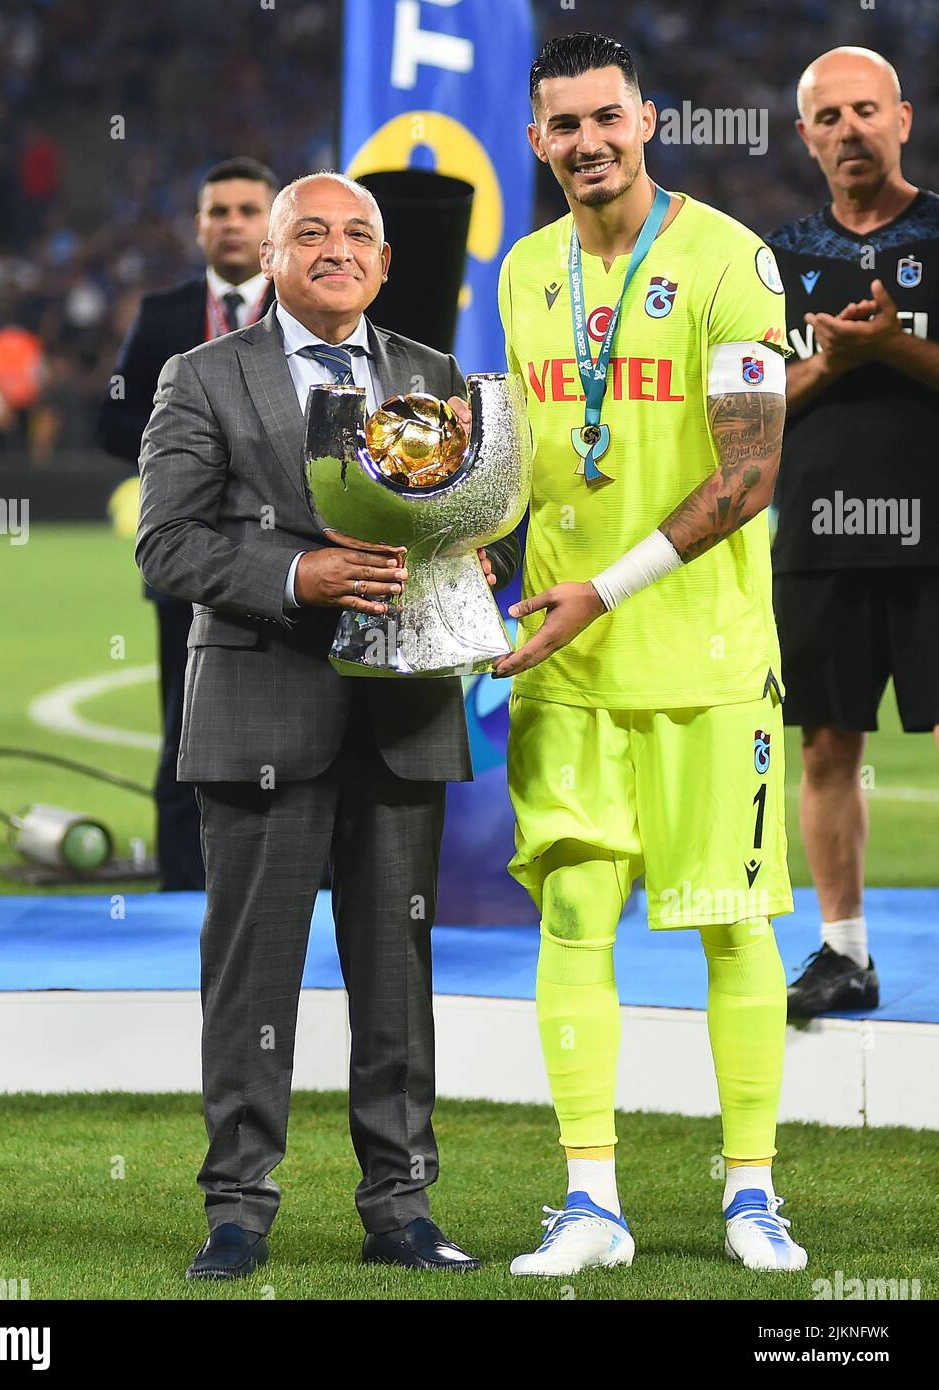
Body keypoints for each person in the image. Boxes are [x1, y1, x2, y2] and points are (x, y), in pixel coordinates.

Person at [136, 171, 520, 1278]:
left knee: (393, 979)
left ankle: (399, 1208)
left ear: (386, 264)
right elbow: (167, 543)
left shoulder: (435, 377)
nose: (336, 248)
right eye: (310, 232)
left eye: (359, 235)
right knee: (250, 977)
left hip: (398, 715)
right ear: (270, 255)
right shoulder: (200, 377)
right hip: (261, 706)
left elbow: (484, 519)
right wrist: (299, 569)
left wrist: (483, 554)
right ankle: (237, 1212)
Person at [492, 33, 805, 1275]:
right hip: (563, 661)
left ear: (649, 119)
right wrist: (468, 554)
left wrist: (600, 591)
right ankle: (589, 1200)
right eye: (562, 125)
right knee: (571, 908)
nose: (586, 142)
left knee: (731, 922)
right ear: (535, 141)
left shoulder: (731, 259)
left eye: (605, 117)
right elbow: (519, 451)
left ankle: (749, 1192)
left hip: (706, 655)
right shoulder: (522, 273)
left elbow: (746, 474)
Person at [767, 47, 939, 1017]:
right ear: (803, 137)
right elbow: (747, 406)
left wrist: (892, 348)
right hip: (819, 541)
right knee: (826, 746)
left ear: (901, 119)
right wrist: (830, 367)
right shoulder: (776, 259)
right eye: (826, 117)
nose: (847, 130)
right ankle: (842, 954)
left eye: (864, 111)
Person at [99, 157, 279, 891]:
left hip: (290, 556)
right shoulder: (165, 312)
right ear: (199, 225)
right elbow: (113, 420)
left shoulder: (309, 306)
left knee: (301, 722)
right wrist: (188, 447)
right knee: (186, 721)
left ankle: (307, 875)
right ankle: (180, 884)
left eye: (246, 210)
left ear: (272, 225)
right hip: (190, 559)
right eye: (218, 212)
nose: (232, 223)